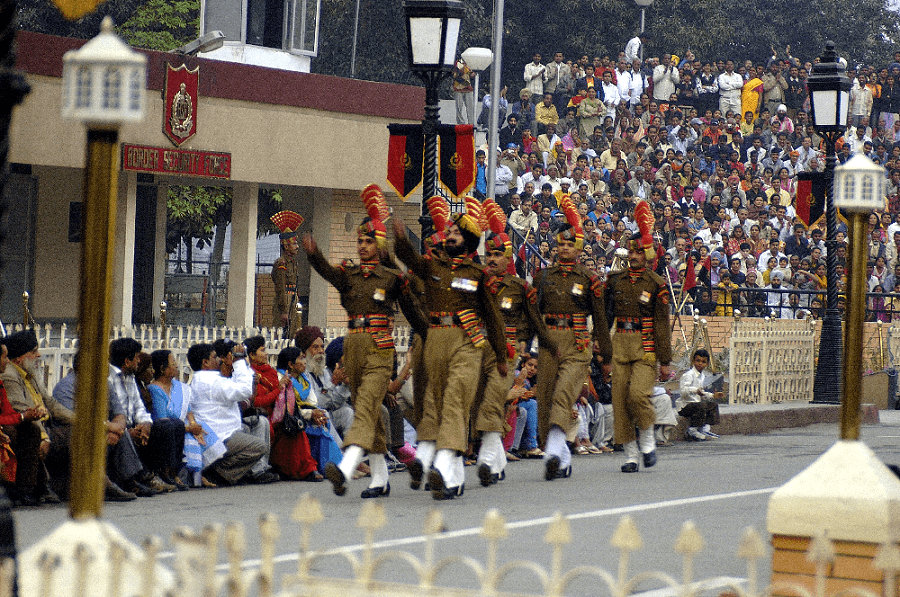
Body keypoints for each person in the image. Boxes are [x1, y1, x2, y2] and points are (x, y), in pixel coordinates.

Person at [305, 184, 423, 499]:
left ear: (379, 244)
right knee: (369, 410)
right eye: (359, 241)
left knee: (367, 407)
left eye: (368, 241)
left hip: (381, 348)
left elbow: (413, 313)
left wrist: (431, 334)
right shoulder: (350, 274)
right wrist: (313, 253)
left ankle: (345, 469)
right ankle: (381, 479)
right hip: (353, 346)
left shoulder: (393, 278)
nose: (361, 246)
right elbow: (329, 273)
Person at [393, 195, 507, 500]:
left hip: (468, 342)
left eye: (456, 233)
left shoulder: (478, 275)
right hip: (435, 340)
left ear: (468, 241)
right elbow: (412, 260)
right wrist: (400, 238)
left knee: (455, 401)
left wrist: (501, 355)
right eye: (450, 232)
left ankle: (441, 468)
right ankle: (454, 478)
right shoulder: (433, 266)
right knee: (436, 403)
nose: (450, 236)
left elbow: (494, 319)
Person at [473, 199, 556, 486]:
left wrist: (531, 347)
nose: (492, 259)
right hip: (478, 349)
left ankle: (486, 460)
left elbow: (535, 320)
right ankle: (495, 463)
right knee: (479, 401)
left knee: (493, 400)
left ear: (507, 257)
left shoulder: (521, 288)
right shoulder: (478, 284)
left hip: (507, 352)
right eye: (489, 254)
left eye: (497, 255)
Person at [533, 196, 611, 481]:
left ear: (577, 247)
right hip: (549, 340)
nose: (564, 248)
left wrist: (607, 358)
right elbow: (534, 313)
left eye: (569, 244)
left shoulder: (590, 279)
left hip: (578, 342)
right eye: (561, 243)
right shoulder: (542, 276)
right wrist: (527, 345)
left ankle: (554, 451)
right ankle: (563, 454)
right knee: (546, 397)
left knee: (564, 393)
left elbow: (600, 320)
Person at [605, 201, 671, 473]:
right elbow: (606, 316)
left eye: (638, 252)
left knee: (637, 395)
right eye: (631, 252)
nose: (633, 256)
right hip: (620, 343)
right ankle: (631, 455)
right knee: (620, 401)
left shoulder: (657, 284)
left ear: (647, 255)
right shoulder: (615, 280)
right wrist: (602, 350)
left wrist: (665, 360)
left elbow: (661, 323)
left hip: (646, 347)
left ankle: (647, 439)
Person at [1, 330, 72, 505]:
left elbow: (51, 404)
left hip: (42, 423)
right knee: (33, 432)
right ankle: (37, 487)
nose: (38, 355)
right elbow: (19, 409)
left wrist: (88, 422)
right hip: (34, 426)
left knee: (83, 431)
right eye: (33, 351)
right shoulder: (9, 375)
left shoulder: (29, 373)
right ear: (19, 357)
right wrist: (44, 436)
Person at [187, 342, 272, 486]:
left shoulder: (202, 379)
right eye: (214, 357)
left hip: (222, 431)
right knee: (259, 447)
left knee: (250, 428)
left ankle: (235, 473)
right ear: (205, 362)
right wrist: (239, 362)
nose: (218, 360)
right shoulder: (211, 381)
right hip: (220, 436)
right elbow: (244, 390)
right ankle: (219, 473)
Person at [246, 335, 322, 482]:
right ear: (252, 355)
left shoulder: (271, 372)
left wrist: (283, 388)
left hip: (279, 416)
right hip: (265, 417)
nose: (266, 353)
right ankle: (303, 470)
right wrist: (279, 389)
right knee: (294, 429)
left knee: (298, 429)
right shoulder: (250, 375)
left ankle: (309, 468)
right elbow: (257, 402)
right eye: (262, 350)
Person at [108, 338, 179, 493]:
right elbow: (111, 414)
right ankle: (139, 478)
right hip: (117, 427)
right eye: (137, 358)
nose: (139, 361)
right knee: (125, 435)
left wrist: (145, 425)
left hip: (135, 426)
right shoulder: (108, 379)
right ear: (127, 361)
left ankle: (161, 474)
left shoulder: (130, 378)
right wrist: (128, 431)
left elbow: (140, 408)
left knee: (165, 425)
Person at [147, 349, 204, 490]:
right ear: (162, 369)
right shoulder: (155, 389)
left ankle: (200, 475)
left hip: (183, 425)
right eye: (173, 363)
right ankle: (169, 472)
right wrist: (189, 428)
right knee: (174, 426)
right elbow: (162, 418)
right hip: (165, 428)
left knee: (204, 433)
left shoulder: (179, 387)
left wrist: (192, 423)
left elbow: (188, 409)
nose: (177, 366)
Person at [270, 210, 305, 337]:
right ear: (286, 245)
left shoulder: (293, 262)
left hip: (293, 299)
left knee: (294, 333)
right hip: (284, 301)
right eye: (294, 243)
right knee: (281, 336)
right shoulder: (282, 263)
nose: (297, 247)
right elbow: (280, 288)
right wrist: (283, 311)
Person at [677, 349, 722, 441]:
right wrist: (695, 390)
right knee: (700, 406)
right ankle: (692, 430)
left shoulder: (702, 376)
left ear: (707, 364)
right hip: (685, 406)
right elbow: (683, 390)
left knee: (713, 405)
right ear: (693, 361)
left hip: (696, 404)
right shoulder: (688, 375)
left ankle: (704, 429)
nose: (700, 364)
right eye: (698, 361)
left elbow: (701, 393)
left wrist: (712, 396)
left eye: (703, 362)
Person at [452, 56, 474, 125]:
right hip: (458, 87)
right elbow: (455, 74)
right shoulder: (457, 63)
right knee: (459, 107)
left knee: (470, 107)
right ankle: (461, 122)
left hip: (468, 87)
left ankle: (471, 123)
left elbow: (472, 74)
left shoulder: (469, 63)